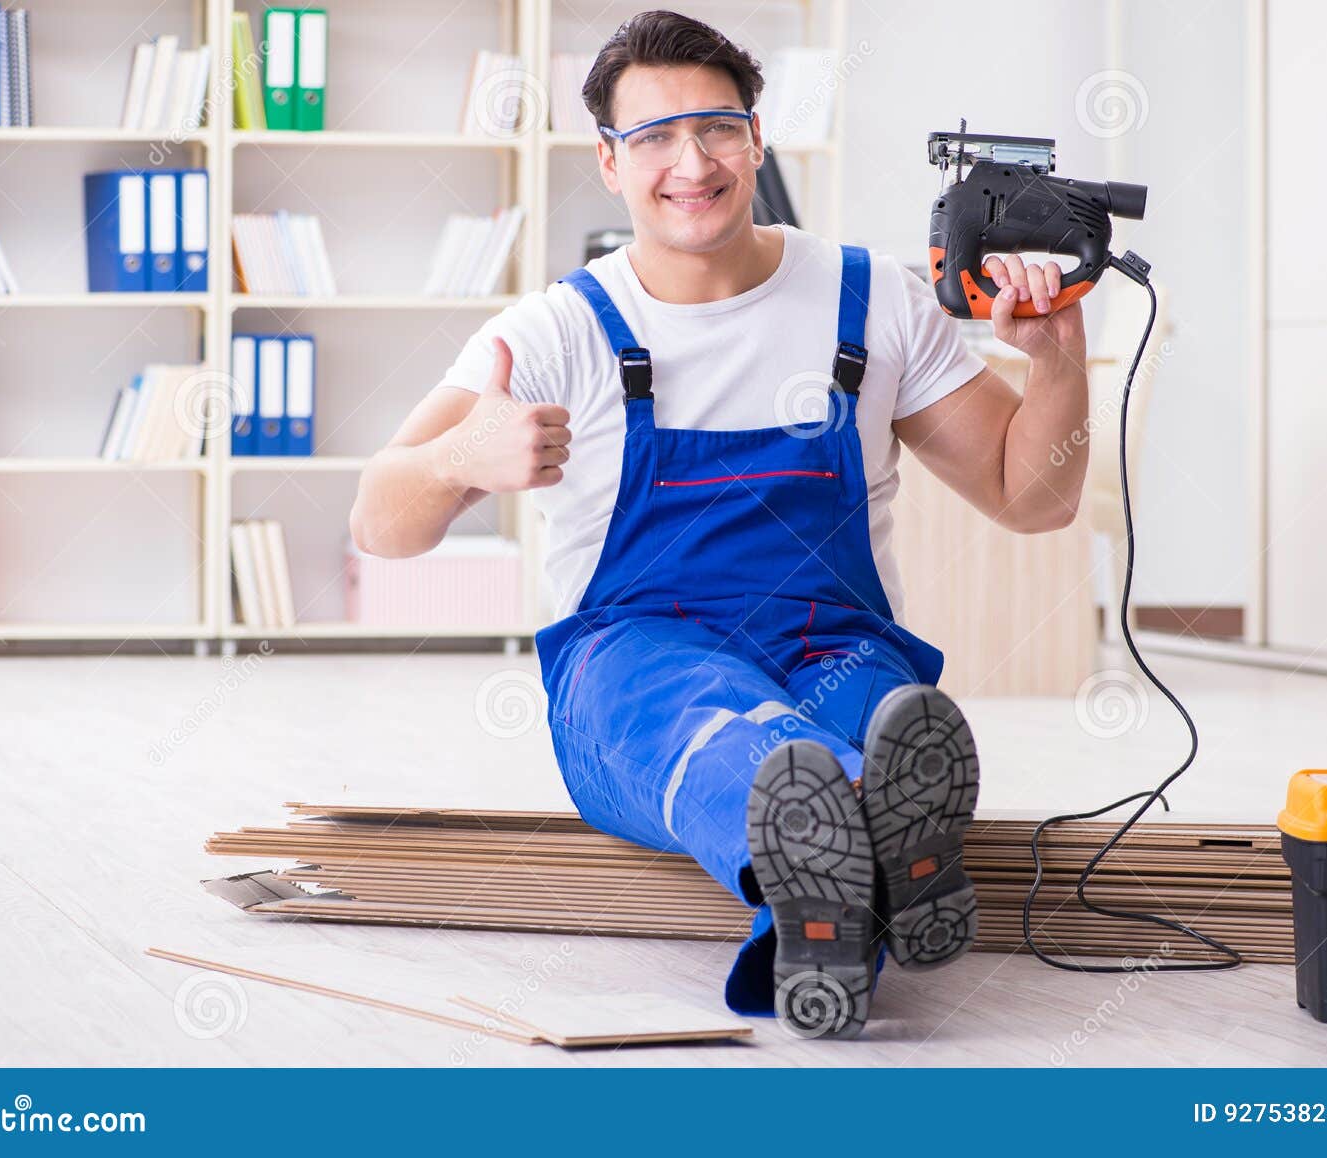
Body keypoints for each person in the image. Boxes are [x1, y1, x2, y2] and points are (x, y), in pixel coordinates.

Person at [350, 10, 1089, 1038]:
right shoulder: (562, 329)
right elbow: (378, 523)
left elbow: (1033, 496)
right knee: (726, 729)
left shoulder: (872, 301)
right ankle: (885, 829)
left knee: (856, 727)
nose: (689, 162)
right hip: (636, 664)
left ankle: (838, 878)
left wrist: (1055, 359)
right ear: (608, 164)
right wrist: (455, 459)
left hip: (836, 649)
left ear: (756, 136)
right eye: (652, 137)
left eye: (716, 128)